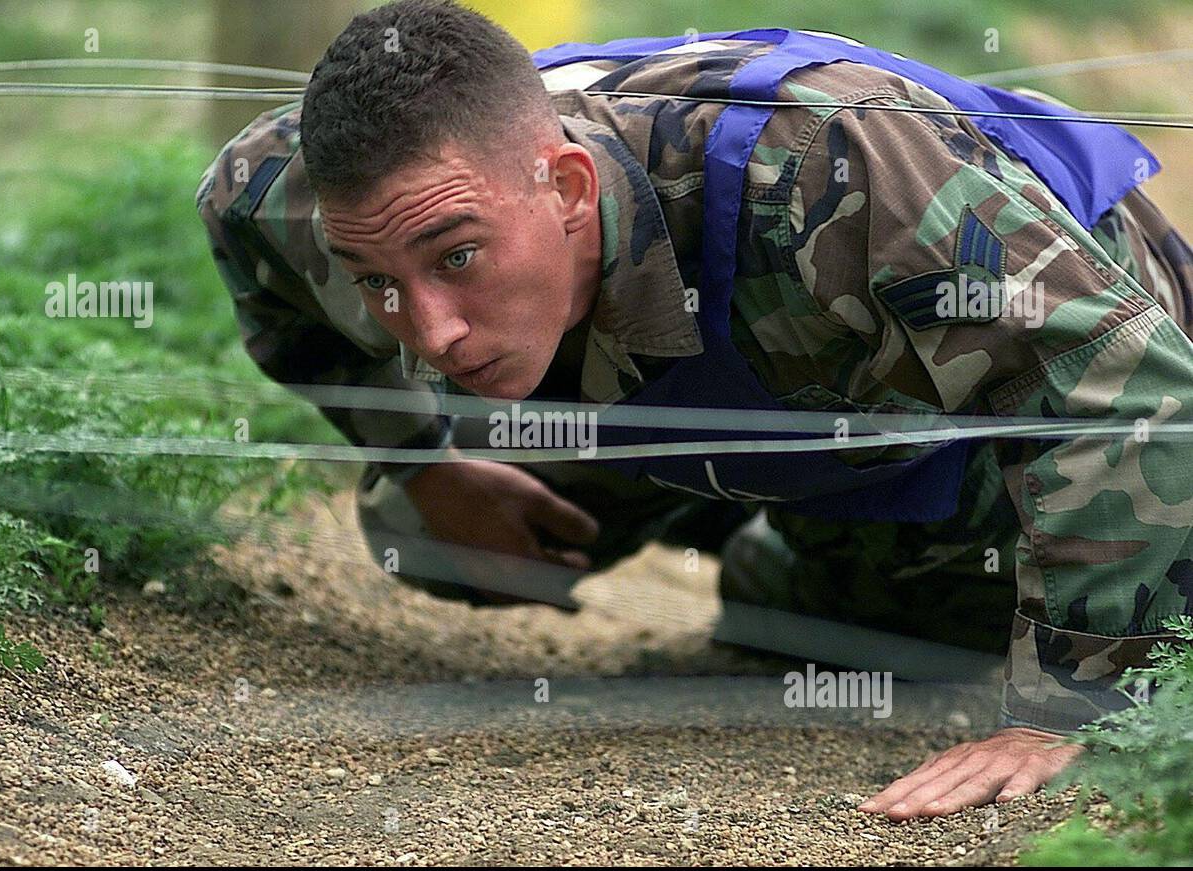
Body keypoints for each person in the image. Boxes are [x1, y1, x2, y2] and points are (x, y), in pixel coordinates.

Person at [196, 0, 1193, 820]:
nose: (432, 332)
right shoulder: (313, 191)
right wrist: (419, 458)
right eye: (377, 282)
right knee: (429, 533)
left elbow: (1133, 388)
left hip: (981, 382)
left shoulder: (840, 170)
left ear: (570, 188)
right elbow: (245, 227)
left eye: (458, 258)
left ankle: (798, 552)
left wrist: (1076, 704)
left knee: (910, 630)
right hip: (686, 362)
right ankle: (758, 507)